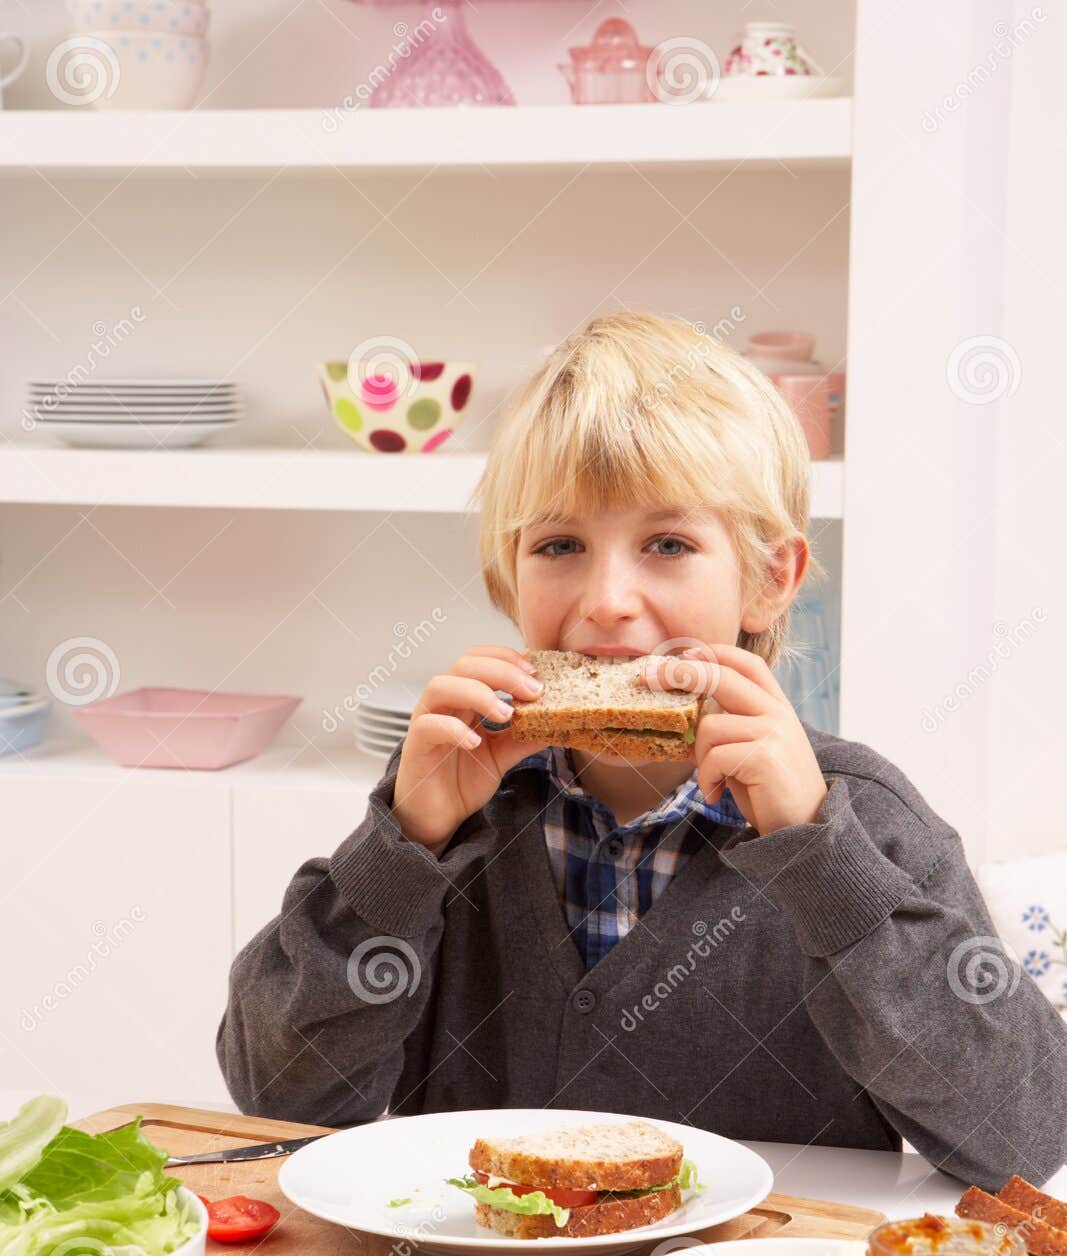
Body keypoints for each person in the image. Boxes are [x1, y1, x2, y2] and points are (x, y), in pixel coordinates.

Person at [217, 311, 1067, 1188]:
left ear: (769, 580)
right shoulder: (453, 805)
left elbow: (1019, 1135)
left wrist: (821, 857)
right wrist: (400, 848)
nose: (609, 600)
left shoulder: (854, 815)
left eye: (667, 545)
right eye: (558, 545)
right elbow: (281, 1097)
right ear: (508, 576)